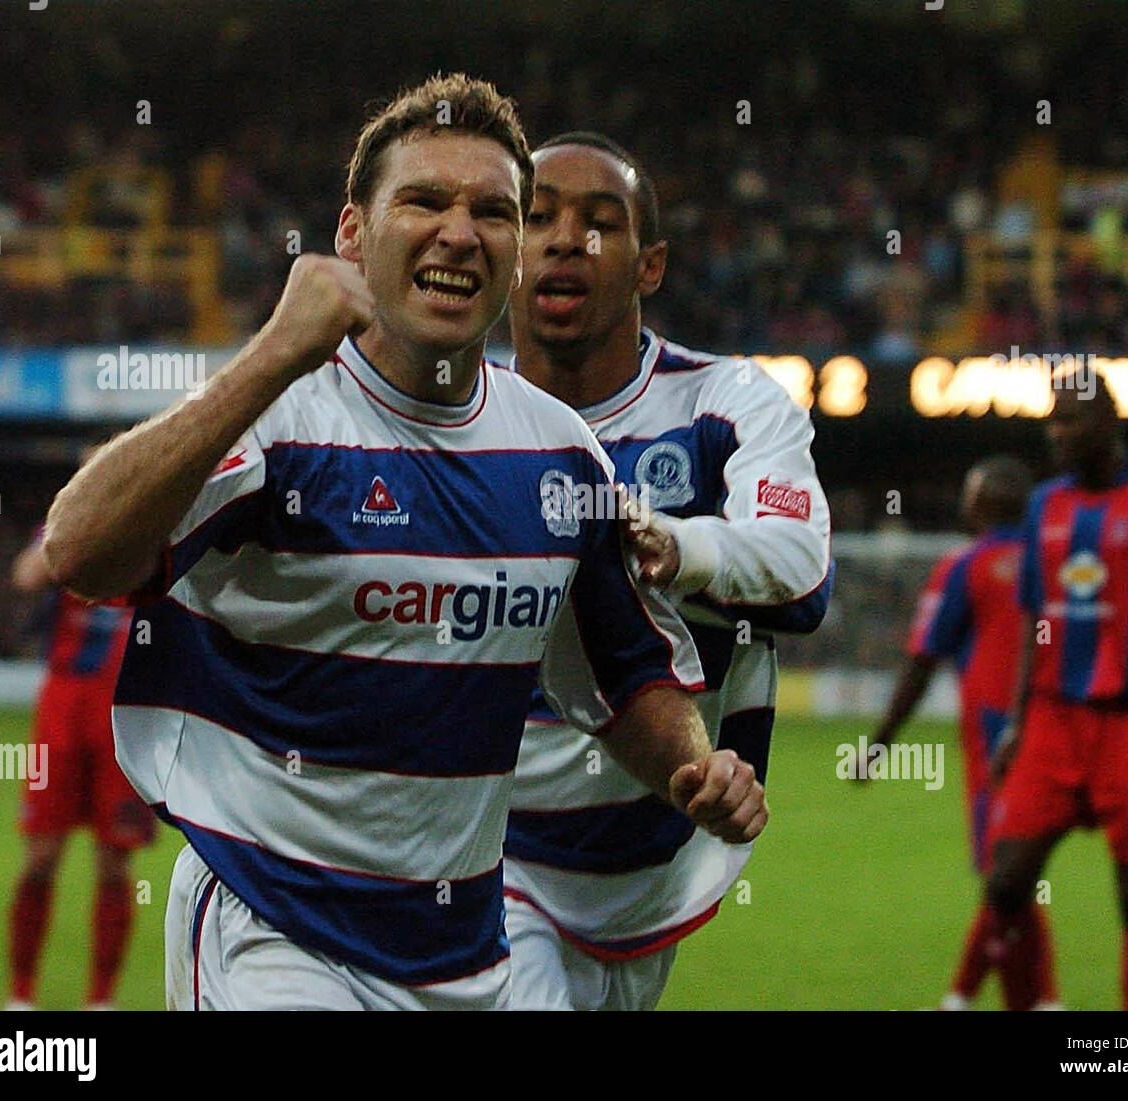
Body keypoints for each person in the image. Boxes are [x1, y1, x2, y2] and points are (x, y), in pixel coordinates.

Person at [40, 76, 767, 1011]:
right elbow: (79, 551)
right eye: (424, 200)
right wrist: (267, 355)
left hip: (463, 956)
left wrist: (692, 766)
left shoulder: (560, 457)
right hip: (274, 927)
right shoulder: (281, 421)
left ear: (513, 257)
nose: (460, 232)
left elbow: (625, 677)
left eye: (494, 212)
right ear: (352, 234)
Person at [503, 133, 832, 1010]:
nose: (565, 239)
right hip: (485, 854)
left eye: (599, 221)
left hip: (656, 858)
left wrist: (683, 547)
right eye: (536, 219)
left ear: (650, 267)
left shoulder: (725, 402)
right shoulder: (458, 420)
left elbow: (801, 574)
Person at [985, 374, 1128, 1011]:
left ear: (1110, 422)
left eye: (1071, 420)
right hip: (1053, 720)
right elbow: (1036, 619)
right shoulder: (1045, 505)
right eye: (1051, 419)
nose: (1055, 432)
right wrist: (1015, 722)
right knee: (1006, 883)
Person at [861, 455, 1059, 1010]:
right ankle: (1037, 999)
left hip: (997, 734)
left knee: (1004, 877)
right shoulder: (1055, 559)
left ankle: (968, 998)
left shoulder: (965, 565)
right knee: (1015, 876)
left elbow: (923, 660)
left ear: (983, 504)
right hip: (1055, 732)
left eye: (970, 494)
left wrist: (878, 743)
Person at [6, 525, 155, 1011]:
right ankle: (20, 997)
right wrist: (81, 524)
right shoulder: (70, 525)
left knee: (115, 863)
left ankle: (101, 1002)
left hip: (127, 709)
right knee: (40, 857)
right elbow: (27, 575)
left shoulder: (160, 525)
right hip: (64, 705)